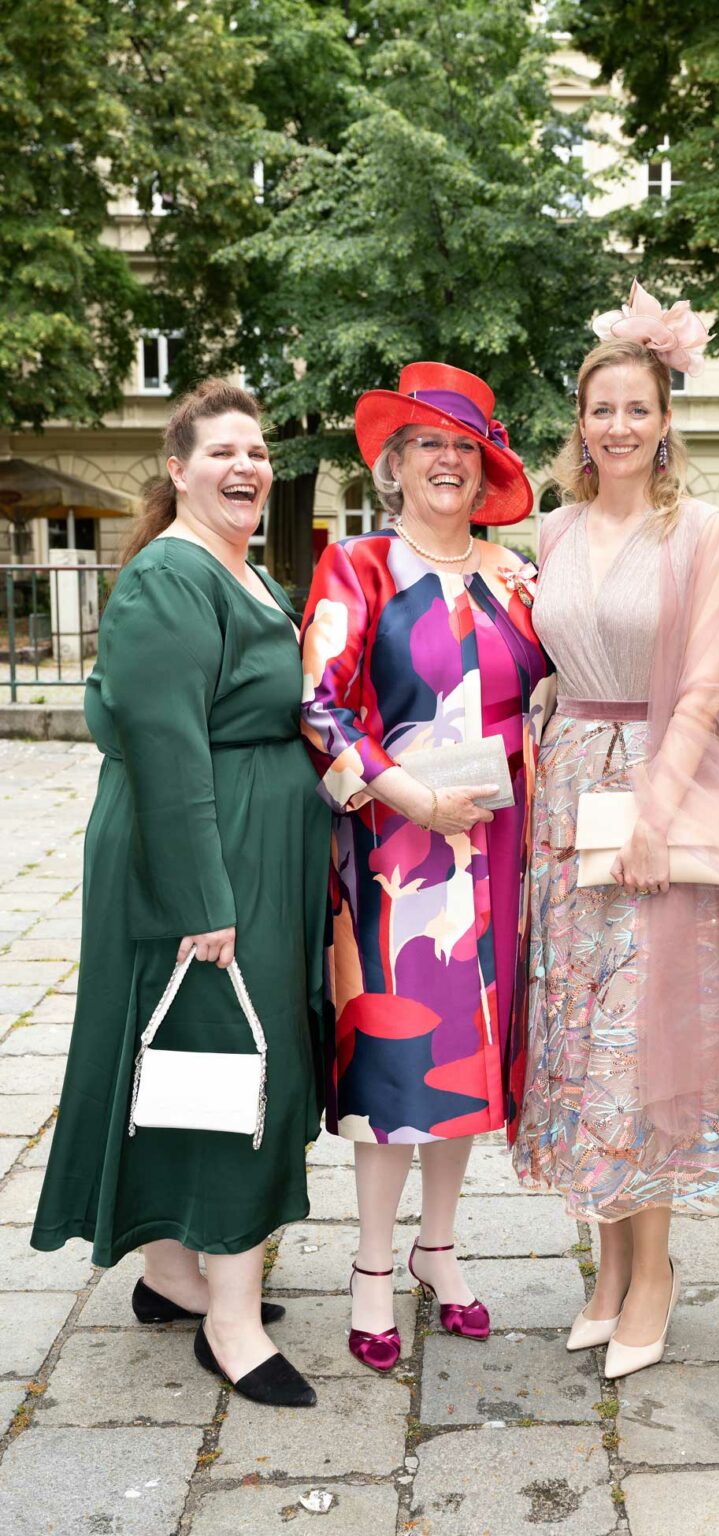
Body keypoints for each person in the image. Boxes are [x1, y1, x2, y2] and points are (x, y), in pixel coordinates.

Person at [31, 379, 330, 1409]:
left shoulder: (249, 573)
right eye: (221, 452)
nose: (246, 465)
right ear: (176, 470)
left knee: (194, 1059)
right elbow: (163, 748)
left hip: (253, 841)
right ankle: (232, 1323)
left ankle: (169, 1272)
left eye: (257, 450)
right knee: (233, 1062)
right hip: (201, 852)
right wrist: (207, 898)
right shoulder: (171, 573)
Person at [513, 282, 719, 1380]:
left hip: (659, 799)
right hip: (568, 794)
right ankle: (608, 1268)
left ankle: (656, 1275)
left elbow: (708, 686)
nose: (616, 426)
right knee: (582, 1046)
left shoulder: (701, 530)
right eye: (599, 409)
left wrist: (654, 817)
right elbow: (536, 667)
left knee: (648, 1042)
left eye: (636, 407)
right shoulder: (552, 527)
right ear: (580, 423)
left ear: (665, 419)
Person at [300, 362, 550, 1373]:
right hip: (391, 851)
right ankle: (368, 1269)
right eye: (427, 445)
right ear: (393, 464)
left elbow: (566, 690)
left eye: (466, 447)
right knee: (392, 1063)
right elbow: (317, 701)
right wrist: (402, 793)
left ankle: (437, 1252)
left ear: (486, 468)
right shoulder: (356, 566)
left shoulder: (518, 576)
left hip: (494, 844)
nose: (447, 462)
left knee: (464, 1067)